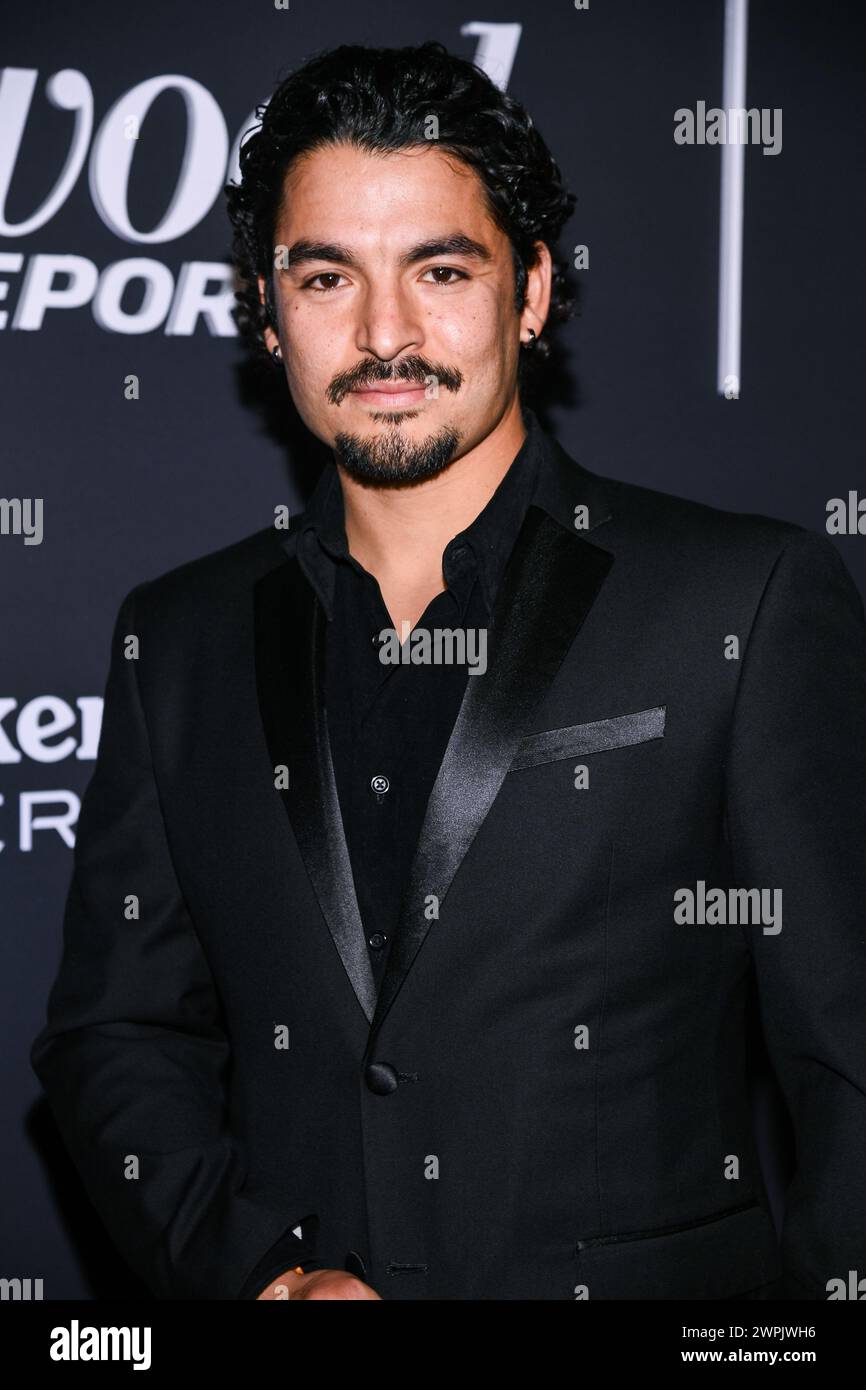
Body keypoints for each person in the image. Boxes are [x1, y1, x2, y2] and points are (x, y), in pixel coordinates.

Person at [31, 41, 866, 1301]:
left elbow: (849, 1059)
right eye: (326, 277)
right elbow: (116, 1030)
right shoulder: (182, 637)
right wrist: (258, 1272)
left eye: (439, 268)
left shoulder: (738, 599)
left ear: (528, 291)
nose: (384, 334)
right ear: (266, 311)